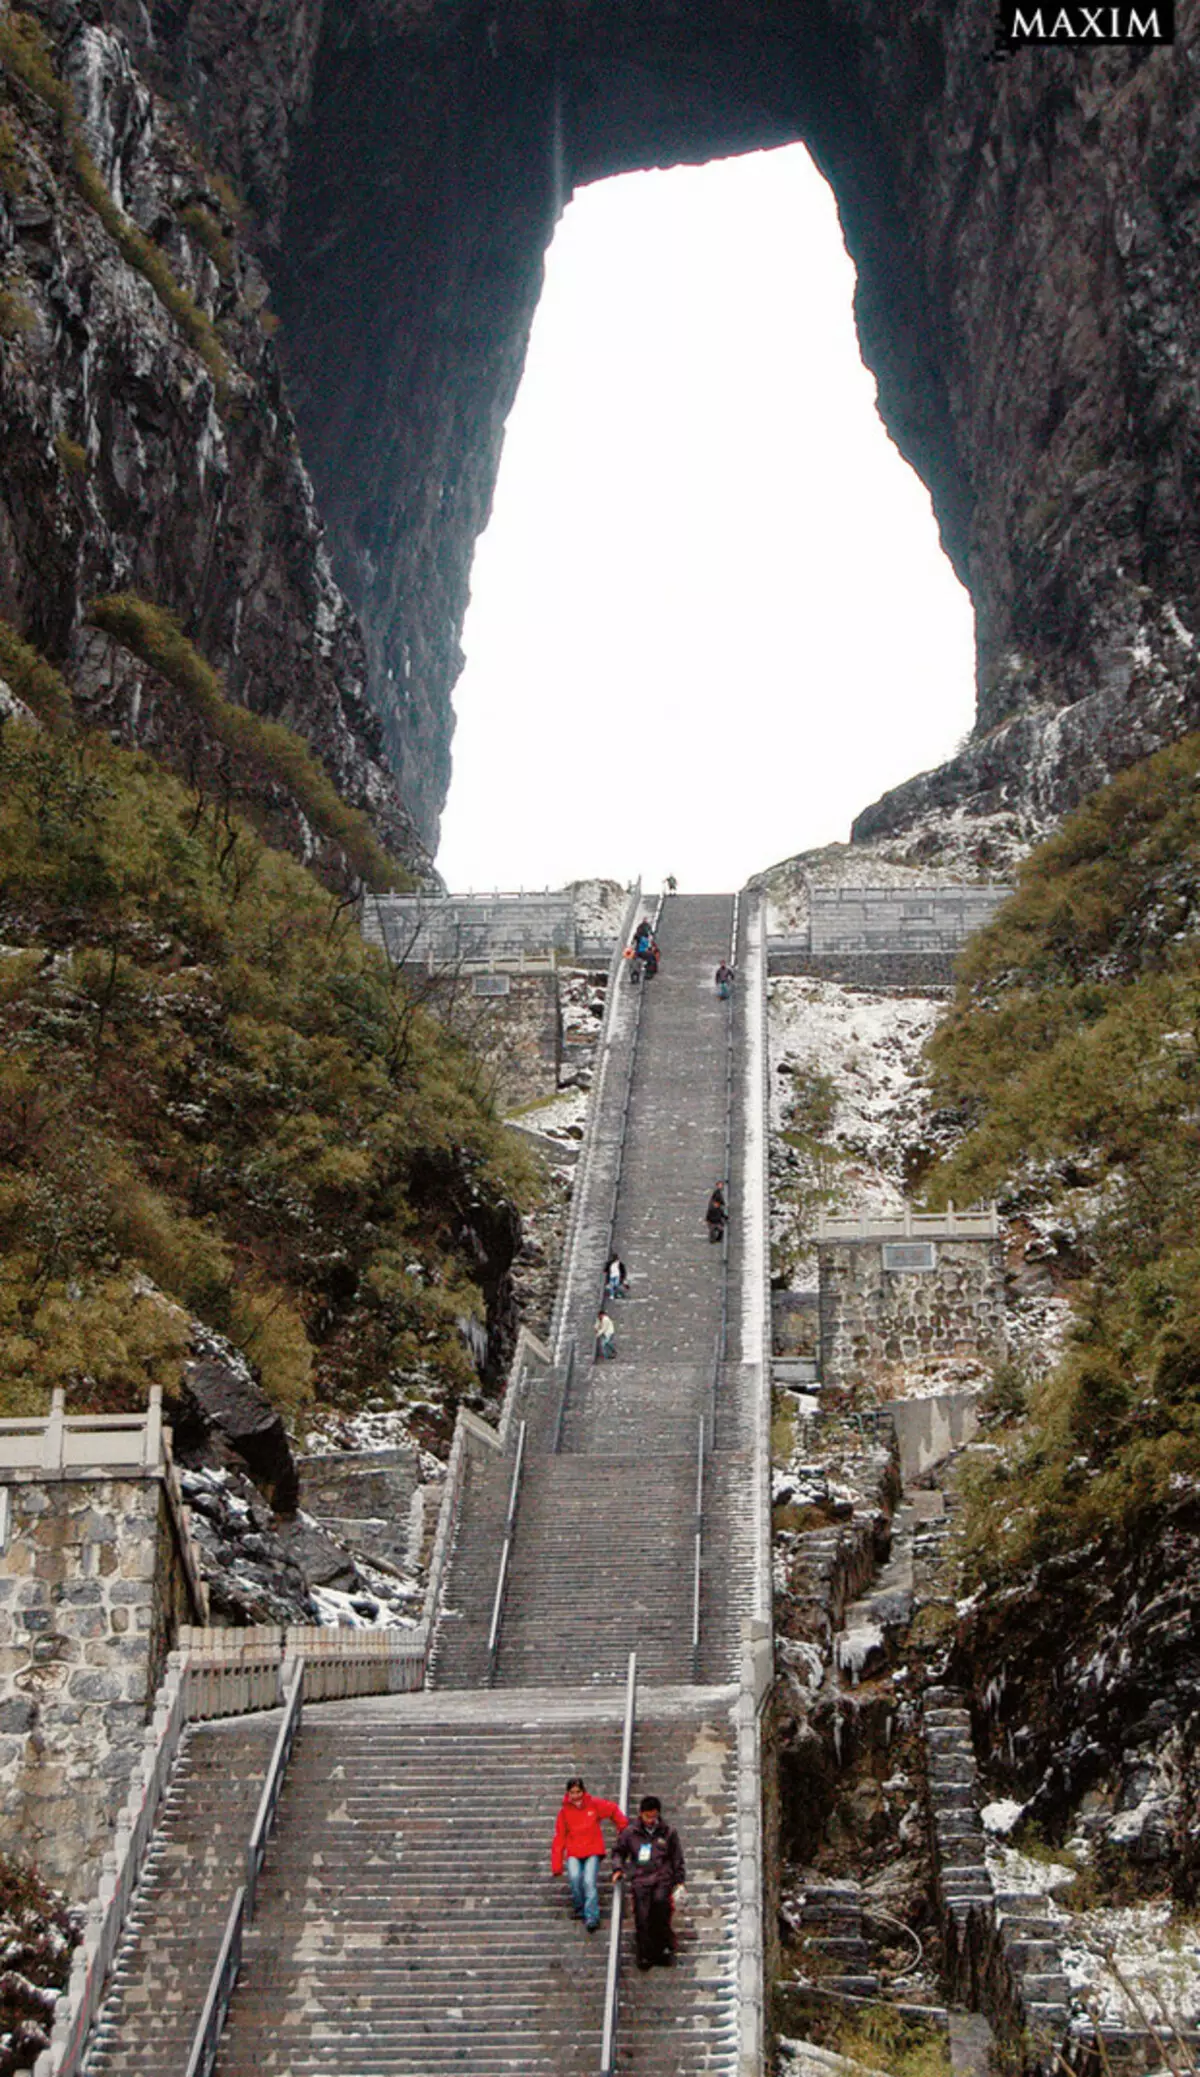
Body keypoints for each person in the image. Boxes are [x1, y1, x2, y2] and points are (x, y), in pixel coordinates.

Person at [612, 1796, 687, 1969]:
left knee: (660, 1907)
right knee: (642, 1916)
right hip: (640, 1879)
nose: (651, 1821)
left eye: (654, 1817)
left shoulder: (668, 1832)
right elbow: (619, 1852)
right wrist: (618, 1868)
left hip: (662, 1878)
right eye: (647, 1817)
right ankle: (645, 1953)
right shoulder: (631, 1833)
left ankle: (663, 1949)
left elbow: (677, 1857)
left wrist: (679, 1880)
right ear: (641, 1815)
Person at [550, 1776, 628, 1932]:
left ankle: (592, 1916)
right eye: (572, 1793)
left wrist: (623, 1826)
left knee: (589, 1881)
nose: (576, 1796)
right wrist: (556, 1864)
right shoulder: (564, 1812)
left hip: (592, 1849)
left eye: (578, 1792)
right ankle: (580, 1907)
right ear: (568, 1793)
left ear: (583, 1791)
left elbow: (612, 1809)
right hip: (574, 1851)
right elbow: (559, 1837)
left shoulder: (594, 1805)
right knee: (574, 1878)